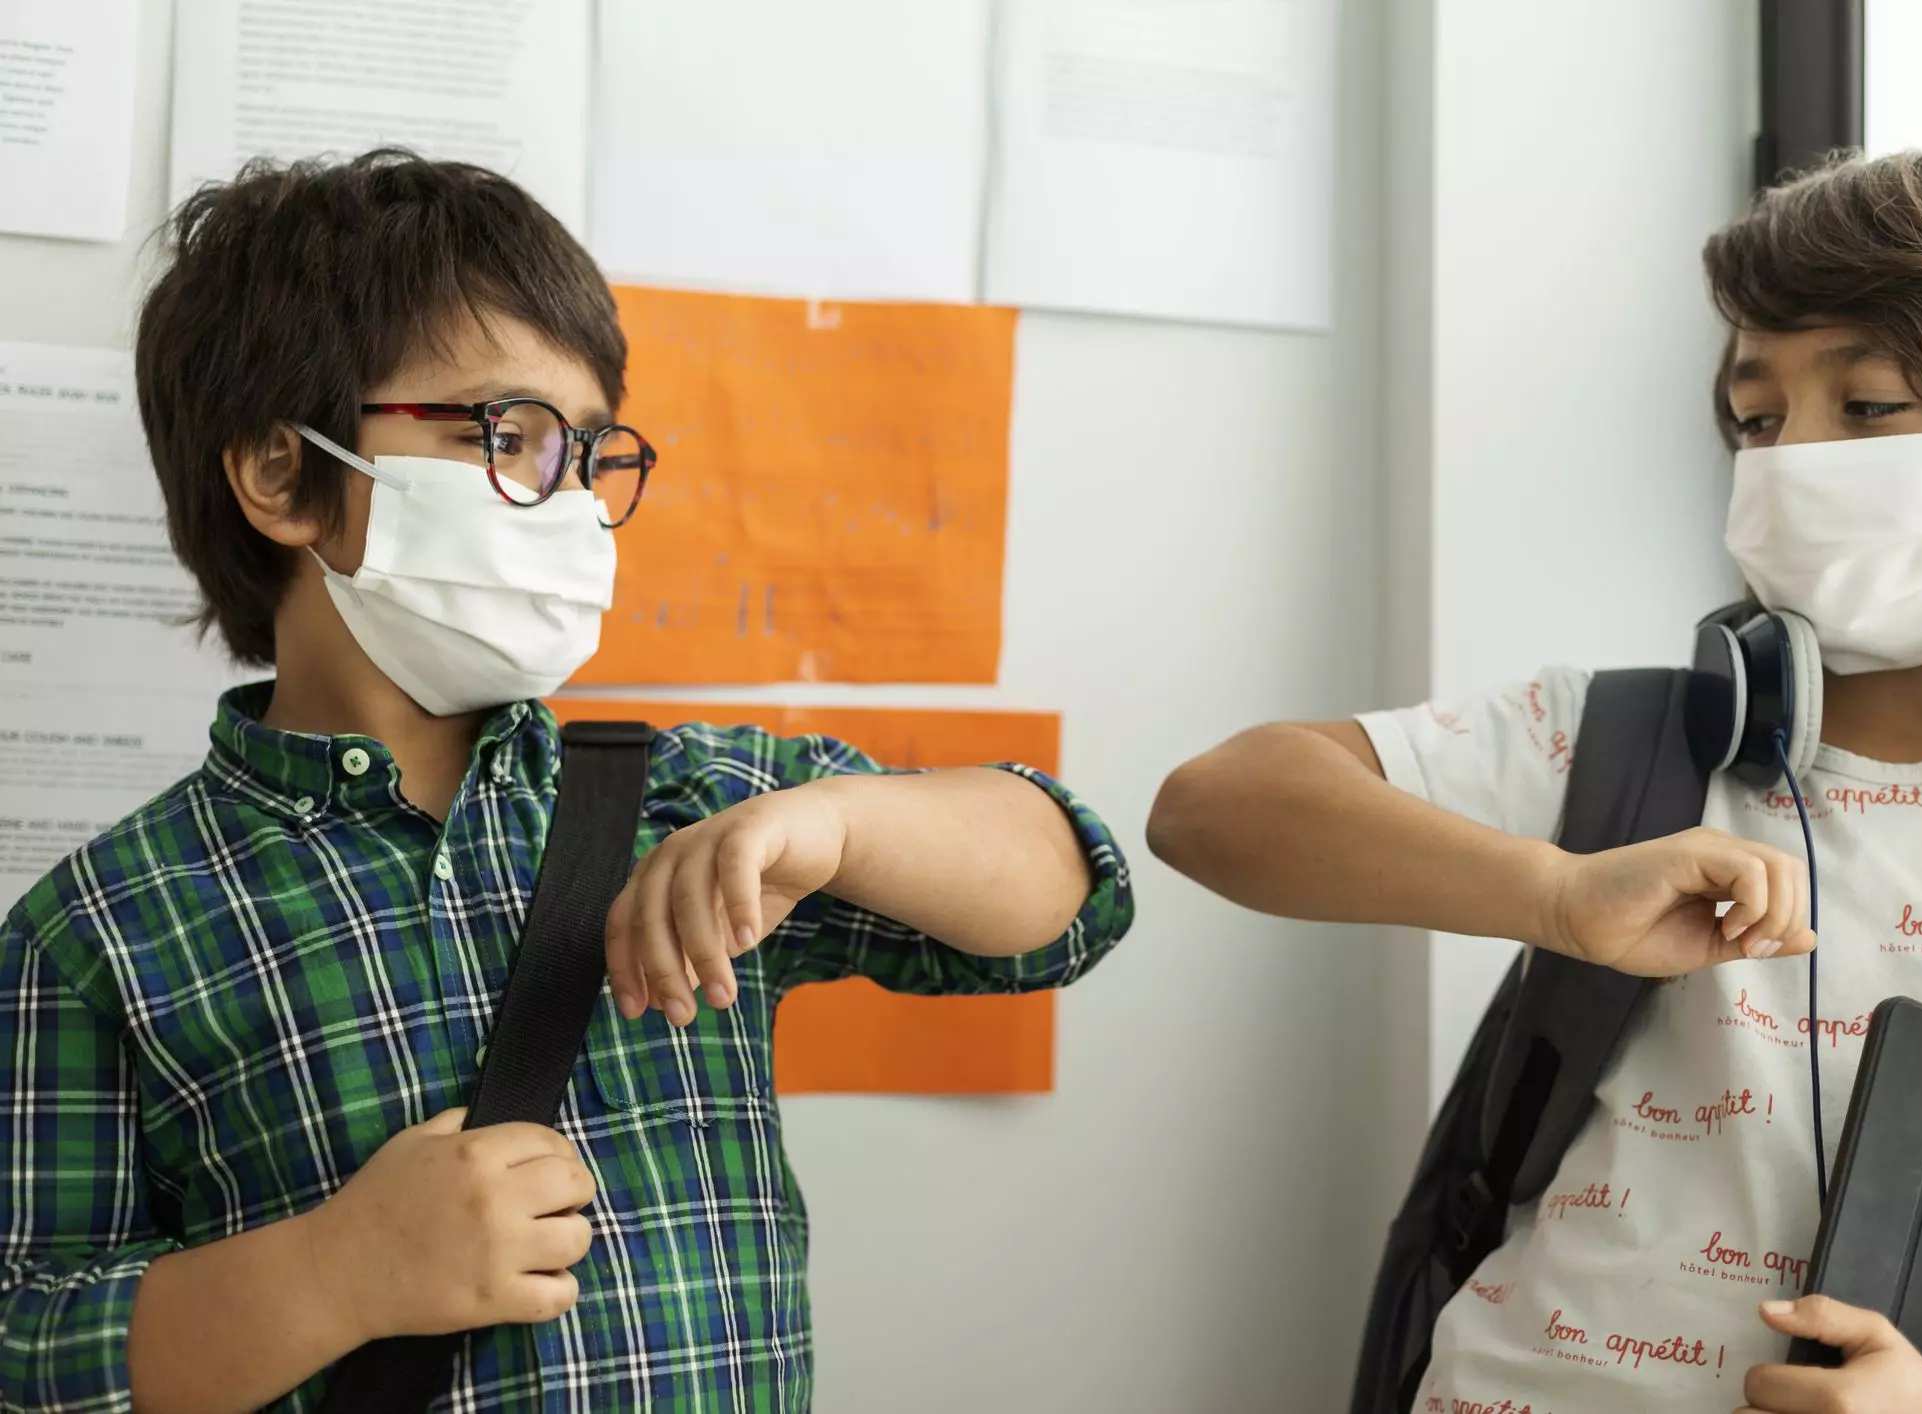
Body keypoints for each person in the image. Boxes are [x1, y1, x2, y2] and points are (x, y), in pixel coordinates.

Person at [0, 151, 1132, 1414]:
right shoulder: (98, 927)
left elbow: (1069, 895)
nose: (574, 505)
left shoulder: (699, 798)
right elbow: (29, 1343)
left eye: (591, 453)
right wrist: (330, 1276)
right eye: (512, 434)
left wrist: (842, 819)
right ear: (282, 473)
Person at [1150, 147, 1922, 1413]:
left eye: (1871, 407)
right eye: (1759, 417)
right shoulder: (1617, 738)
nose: (1789, 459)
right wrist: (1554, 894)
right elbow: (1212, 805)